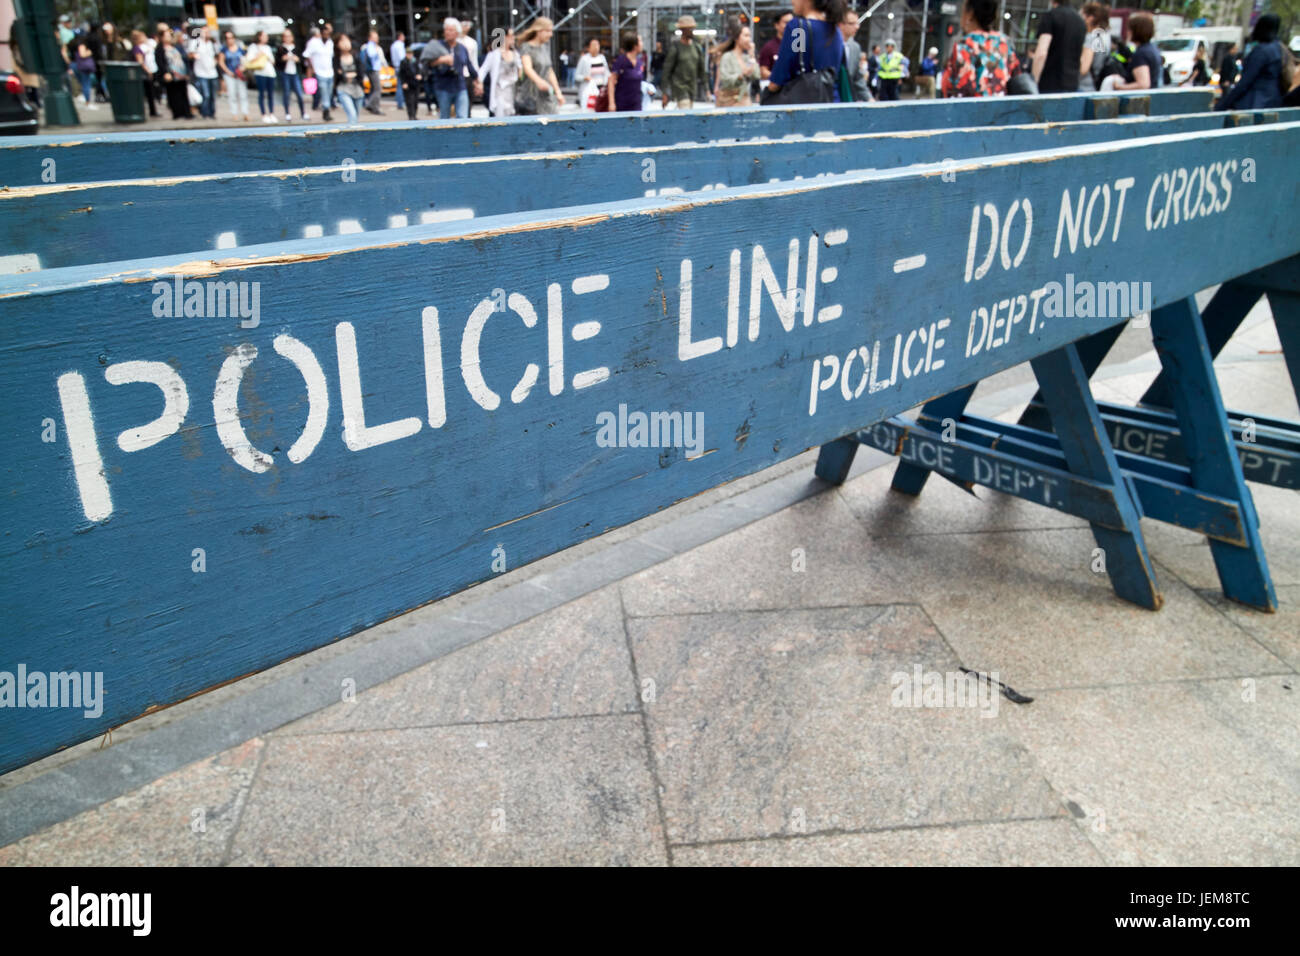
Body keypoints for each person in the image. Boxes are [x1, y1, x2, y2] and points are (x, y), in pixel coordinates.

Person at [766, 0, 846, 102]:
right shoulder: (835, 31)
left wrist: (767, 92)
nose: (792, 1)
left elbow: (778, 79)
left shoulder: (798, 28)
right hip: (831, 103)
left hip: (803, 106)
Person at [941, 0, 1021, 97]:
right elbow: (1017, 79)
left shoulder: (965, 45)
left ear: (970, 14)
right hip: (1003, 110)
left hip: (973, 110)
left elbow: (958, 88)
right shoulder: (1005, 43)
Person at [1217, 14, 1284, 111]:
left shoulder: (1261, 51)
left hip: (1255, 102)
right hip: (1273, 103)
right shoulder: (1278, 49)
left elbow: (1245, 82)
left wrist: (1222, 105)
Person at [421, 18, 477, 119]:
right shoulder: (436, 45)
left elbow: (469, 65)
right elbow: (427, 63)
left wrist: (477, 80)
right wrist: (441, 60)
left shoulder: (462, 48)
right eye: (446, 30)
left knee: (463, 117)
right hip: (443, 87)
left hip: (460, 86)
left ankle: (461, 135)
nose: (447, 32)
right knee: (445, 118)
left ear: (457, 33)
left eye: (450, 30)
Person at [1031, 0, 1085, 93]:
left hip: (1049, 84)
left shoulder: (1051, 16)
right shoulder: (1080, 21)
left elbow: (1041, 53)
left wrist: (1033, 83)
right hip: (1072, 84)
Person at [516, 17, 563, 115]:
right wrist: (539, 82)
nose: (551, 34)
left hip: (546, 95)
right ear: (539, 31)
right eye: (548, 31)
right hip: (531, 96)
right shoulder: (526, 47)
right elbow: (527, 68)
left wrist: (558, 91)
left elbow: (549, 70)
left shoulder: (545, 47)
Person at [1105, 12, 1159, 92]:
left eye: (1129, 29)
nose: (1127, 32)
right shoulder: (1151, 49)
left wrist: (1119, 87)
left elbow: (1143, 84)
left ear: (1136, 31)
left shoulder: (1141, 54)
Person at [662, 15, 708, 108]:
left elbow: (702, 70)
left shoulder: (696, 47)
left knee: (690, 113)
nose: (692, 31)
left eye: (692, 29)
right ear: (683, 30)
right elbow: (666, 71)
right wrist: (665, 92)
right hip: (680, 89)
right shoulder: (676, 48)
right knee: (685, 109)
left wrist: (707, 89)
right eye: (689, 29)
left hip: (692, 88)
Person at [715, 24, 759, 106]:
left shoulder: (747, 58)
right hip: (728, 101)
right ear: (737, 38)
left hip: (744, 100)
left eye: (749, 36)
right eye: (746, 35)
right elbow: (725, 79)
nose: (749, 39)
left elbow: (756, 75)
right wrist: (740, 76)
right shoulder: (727, 56)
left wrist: (752, 55)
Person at [480, 27, 520, 116]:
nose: (513, 38)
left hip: (514, 91)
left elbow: (520, 72)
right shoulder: (493, 55)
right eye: (511, 35)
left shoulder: (516, 54)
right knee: (501, 116)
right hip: (500, 91)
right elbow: (483, 71)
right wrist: (479, 84)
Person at [155, 28, 192, 119]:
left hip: (181, 73)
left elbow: (182, 58)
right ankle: (177, 113)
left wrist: (186, 72)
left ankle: (186, 113)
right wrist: (165, 73)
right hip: (171, 74)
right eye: (167, 36)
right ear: (162, 37)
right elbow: (160, 62)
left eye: (169, 36)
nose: (169, 37)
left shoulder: (175, 46)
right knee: (173, 93)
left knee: (183, 92)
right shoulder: (160, 49)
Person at [606, 31, 645, 112]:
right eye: (640, 41)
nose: (642, 44)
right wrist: (611, 103)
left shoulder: (639, 62)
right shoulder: (621, 61)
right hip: (622, 105)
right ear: (635, 45)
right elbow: (611, 81)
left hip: (636, 105)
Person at [245, 30, 279, 122]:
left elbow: (273, 61)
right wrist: (258, 55)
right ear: (259, 37)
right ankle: (263, 114)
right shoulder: (253, 47)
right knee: (262, 94)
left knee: (271, 94)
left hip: (270, 73)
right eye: (265, 36)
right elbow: (249, 59)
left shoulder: (267, 47)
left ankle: (271, 113)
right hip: (260, 73)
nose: (266, 38)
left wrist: (266, 55)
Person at [188, 26, 220, 119]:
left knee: (213, 95)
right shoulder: (196, 42)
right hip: (201, 72)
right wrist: (194, 55)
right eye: (205, 32)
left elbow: (217, 55)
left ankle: (212, 113)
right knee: (206, 94)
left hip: (212, 72)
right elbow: (190, 55)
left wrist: (215, 62)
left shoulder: (212, 43)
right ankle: (204, 113)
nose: (207, 33)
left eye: (208, 32)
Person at [1077, 3, 1110, 92]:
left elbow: (1083, 69)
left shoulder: (1092, 37)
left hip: (1083, 87)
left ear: (1090, 18)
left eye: (1082, 15)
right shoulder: (1105, 36)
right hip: (1095, 86)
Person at [277, 28, 308, 121]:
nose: (287, 38)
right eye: (285, 36)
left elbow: (302, 60)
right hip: (285, 73)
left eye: (289, 36)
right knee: (286, 93)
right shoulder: (280, 48)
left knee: (299, 93)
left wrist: (297, 59)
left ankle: (303, 113)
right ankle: (287, 113)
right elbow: (277, 62)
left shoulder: (296, 48)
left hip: (295, 74)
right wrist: (283, 59)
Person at [218, 30, 250, 122]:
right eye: (227, 38)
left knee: (243, 94)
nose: (229, 40)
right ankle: (234, 113)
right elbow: (221, 62)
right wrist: (228, 72)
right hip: (229, 74)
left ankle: (245, 113)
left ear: (234, 38)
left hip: (240, 74)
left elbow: (246, 60)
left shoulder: (240, 49)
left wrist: (243, 68)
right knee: (232, 94)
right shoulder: (224, 49)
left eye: (231, 38)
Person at [840, 10, 871, 102]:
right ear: (840, 24)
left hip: (848, 99)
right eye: (852, 23)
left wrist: (869, 98)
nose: (857, 27)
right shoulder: (828, 44)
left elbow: (857, 77)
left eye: (857, 23)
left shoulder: (855, 47)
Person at [334, 34, 365, 124]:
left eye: (346, 40)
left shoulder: (356, 56)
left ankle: (355, 136)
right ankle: (352, 137)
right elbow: (338, 74)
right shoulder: (336, 59)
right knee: (352, 115)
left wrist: (348, 75)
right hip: (343, 89)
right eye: (342, 40)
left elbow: (360, 72)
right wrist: (347, 75)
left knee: (356, 117)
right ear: (337, 44)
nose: (345, 43)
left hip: (357, 90)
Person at [305, 25, 335, 119]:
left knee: (329, 92)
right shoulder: (314, 42)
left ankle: (325, 108)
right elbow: (307, 55)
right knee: (324, 91)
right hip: (319, 72)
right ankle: (326, 110)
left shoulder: (330, 42)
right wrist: (312, 68)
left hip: (330, 72)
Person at [130, 29, 159, 118]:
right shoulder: (137, 48)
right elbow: (140, 62)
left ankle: (152, 111)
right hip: (143, 74)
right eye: (143, 36)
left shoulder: (144, 46)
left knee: (150, 93)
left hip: (146, 72)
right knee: (147, 93)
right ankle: (146, 112)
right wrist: (148, 71)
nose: (145, 38)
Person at [575, 37, 609, 110]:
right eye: (594, 45)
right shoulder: (584, 59)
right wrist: (585, 78)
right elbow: (577, 76)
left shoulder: (602, 58)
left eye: (597, 44)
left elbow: (607, 72)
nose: (596, 47)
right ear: (588, 47)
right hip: (589, 90)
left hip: (601, 90)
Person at [759, 11, 792, 80]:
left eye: (792, 22)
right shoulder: (769, 47)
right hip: (779, 88)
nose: (790, 25)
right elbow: (763, 71)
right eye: (786, 22)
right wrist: (779, 78)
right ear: (776, 25)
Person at [397, 47, 422, 120]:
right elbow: (401, 74)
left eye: (411, 54)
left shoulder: (415, 61)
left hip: (415, 83)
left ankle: (414, 115)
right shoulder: (403, 62)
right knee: (409, 101)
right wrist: (403, 83)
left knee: (416, 101)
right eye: (408, 54)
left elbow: (419, 70)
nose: (409, 55)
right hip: (407, 83)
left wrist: (419, 75)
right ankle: (410, 115)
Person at [72, 40, 97, 109]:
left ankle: (84, 98)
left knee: (82, 83)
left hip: (75, 65)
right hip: (82, 66)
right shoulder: (81, 45)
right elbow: (82, 54)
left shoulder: (71, 45)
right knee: (86, 84)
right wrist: (89, 52)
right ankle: (87, 102)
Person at [390, 31, 407, 112]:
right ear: (400, 36)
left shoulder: (393, 45)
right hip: (401, 67)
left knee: (398, 86)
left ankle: (399, 103)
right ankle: (401, 103)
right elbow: (402, 58)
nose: (404, 37)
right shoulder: (400, 45)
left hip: (396, 67)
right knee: (401, 85)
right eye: (403, 36)